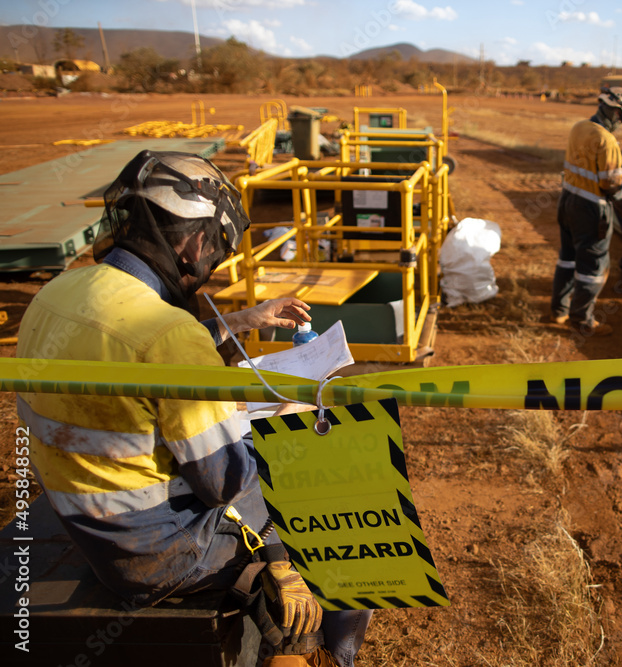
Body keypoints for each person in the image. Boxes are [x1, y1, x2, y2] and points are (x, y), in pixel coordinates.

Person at [15, 150, 370, 666]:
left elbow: (136, 358)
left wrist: (242, 319)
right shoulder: (169, 335)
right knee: (335, 509)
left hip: (87, 518)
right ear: (199, 239)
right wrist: (289, 421)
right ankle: (314, 650)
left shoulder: (58, 293)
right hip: (158, 551)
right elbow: (224, 481)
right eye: (214, 247)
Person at [550, 86, 622, 337]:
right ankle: (582, 320)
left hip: (567, 201)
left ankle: (559, 310)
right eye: (621, 116)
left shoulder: (578, 127)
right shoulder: (607, 140)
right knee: (593, 266)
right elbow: (610, 182)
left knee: (567, 258)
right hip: (591, 209)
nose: (621, 122)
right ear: (613, 110)